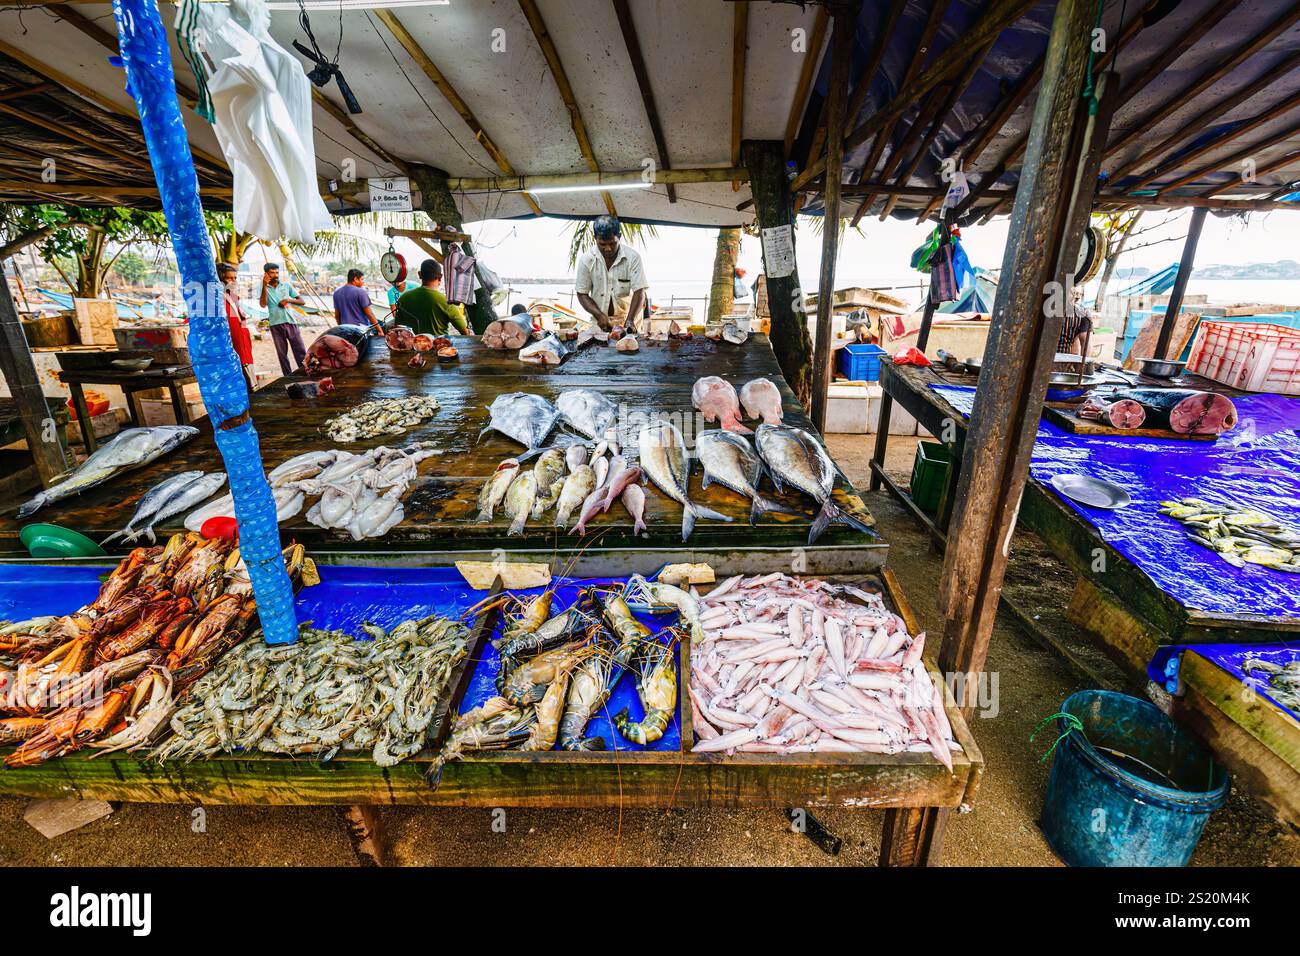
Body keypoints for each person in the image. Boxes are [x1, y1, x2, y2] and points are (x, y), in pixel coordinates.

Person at [575, 215, 648, 332]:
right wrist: (599, 315)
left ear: (619, 237)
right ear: (595, 238)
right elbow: (582, 294)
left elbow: (639, 291)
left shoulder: (633, 258)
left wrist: (630, 320)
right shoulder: (586, 260)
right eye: (602, 244)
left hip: (628, 319)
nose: (608, 249)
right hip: (600, 322)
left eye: (612, 243)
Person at [394, 259, 469, 336]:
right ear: (440, 277)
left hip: (412, 346)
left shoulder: (403, 298)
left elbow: (397, 328)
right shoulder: (446, 301)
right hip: (439, 346)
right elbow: (465, 332)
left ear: (420, 274)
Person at [259, 262, 307, 375]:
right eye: (272, 273)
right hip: (275, 323)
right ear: (266, 274)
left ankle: (305, 372)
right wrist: (265, 286)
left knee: (300, 351)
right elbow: (263, 304)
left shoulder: (286, 285)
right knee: (282, 354)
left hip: (290, 322)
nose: (275, 275)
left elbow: (302, 301)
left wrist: (288, 300)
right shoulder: (263, 288)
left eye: (277, 272)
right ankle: (288, 376)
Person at [217, 262, 255, 390]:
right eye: (230, 278)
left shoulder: (232, 296)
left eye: (235, 278)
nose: (233, 281)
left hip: (242, 345)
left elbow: (238, 319)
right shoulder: (217, 299)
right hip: (234, 348)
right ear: (220, 279)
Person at [1058, 284, 1095, 355]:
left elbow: (1085, 345)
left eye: (1080, 294)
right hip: (1063, 359)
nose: (1078, 296)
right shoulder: (1083, 314)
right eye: (1075, 293)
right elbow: (1086, 346)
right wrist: (1081, 365)